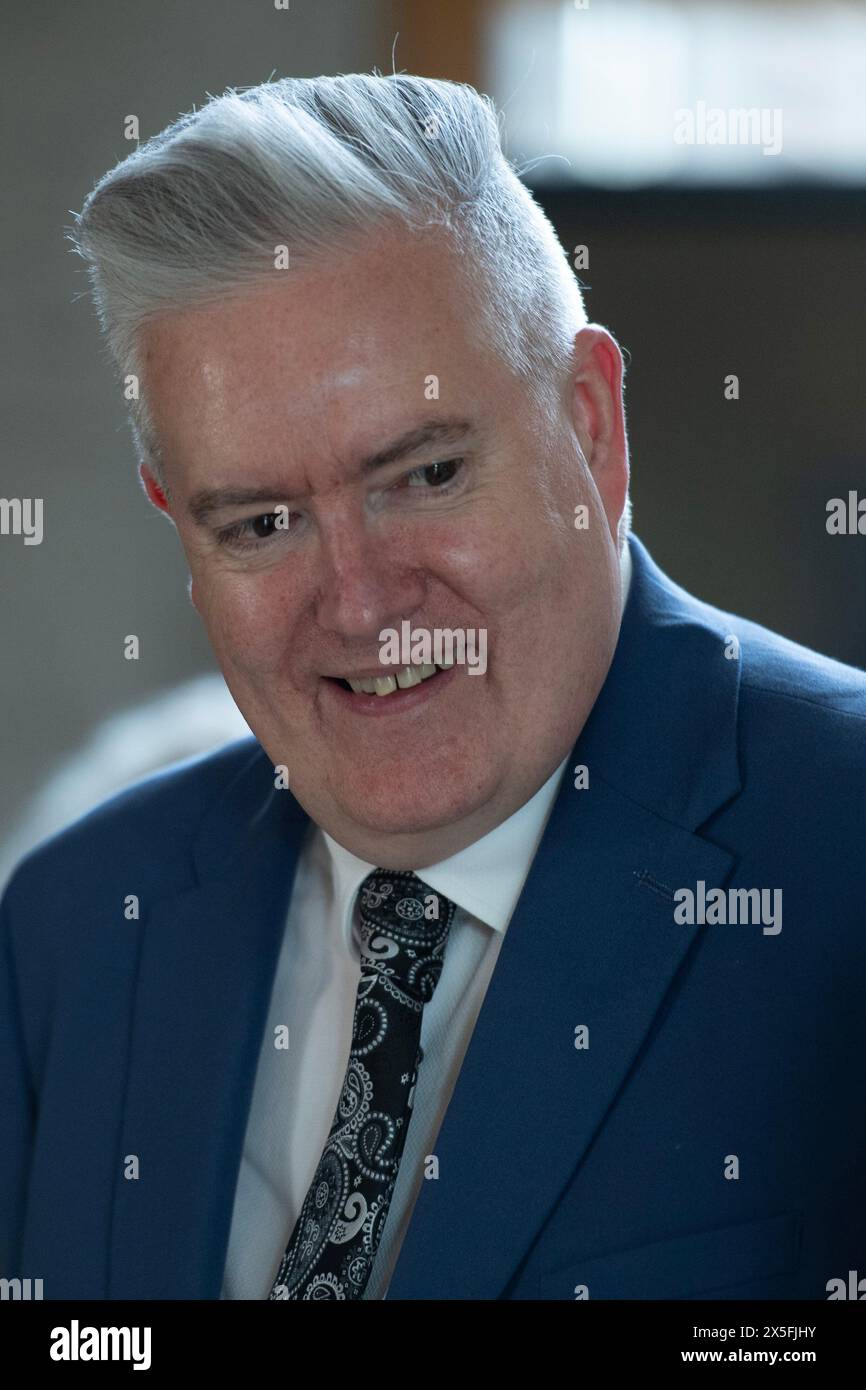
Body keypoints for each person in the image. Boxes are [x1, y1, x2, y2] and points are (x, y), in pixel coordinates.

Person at [2, 73, 864, 1302]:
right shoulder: (74, 929)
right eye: (259, 522)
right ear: (177, 533)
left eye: (426, 476)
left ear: (592, 427)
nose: (357, 602)